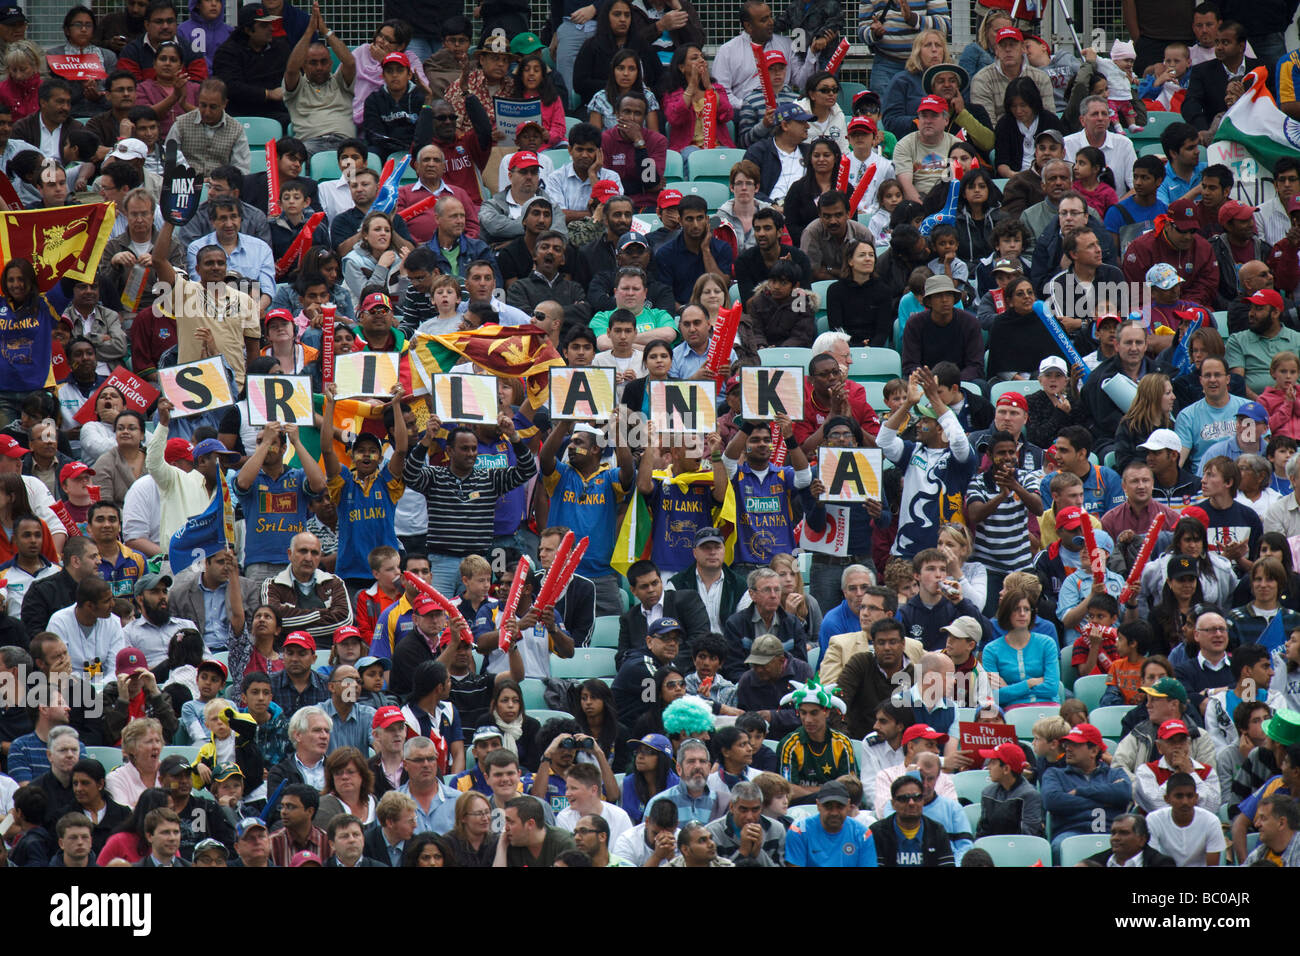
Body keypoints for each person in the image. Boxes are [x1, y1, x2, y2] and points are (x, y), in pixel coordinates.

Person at [1041, 722, 1134, 855]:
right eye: (1067, 744)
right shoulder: (1054, 774)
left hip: (1112, 833)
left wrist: (1081, 792)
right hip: (1071, 834)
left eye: (1075, 744)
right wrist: (1106, 800)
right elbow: (1052, 801)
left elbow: (1125, 793)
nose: (1068, 748)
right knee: (1059, 846)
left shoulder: (1114, 773)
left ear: (1094, 751)